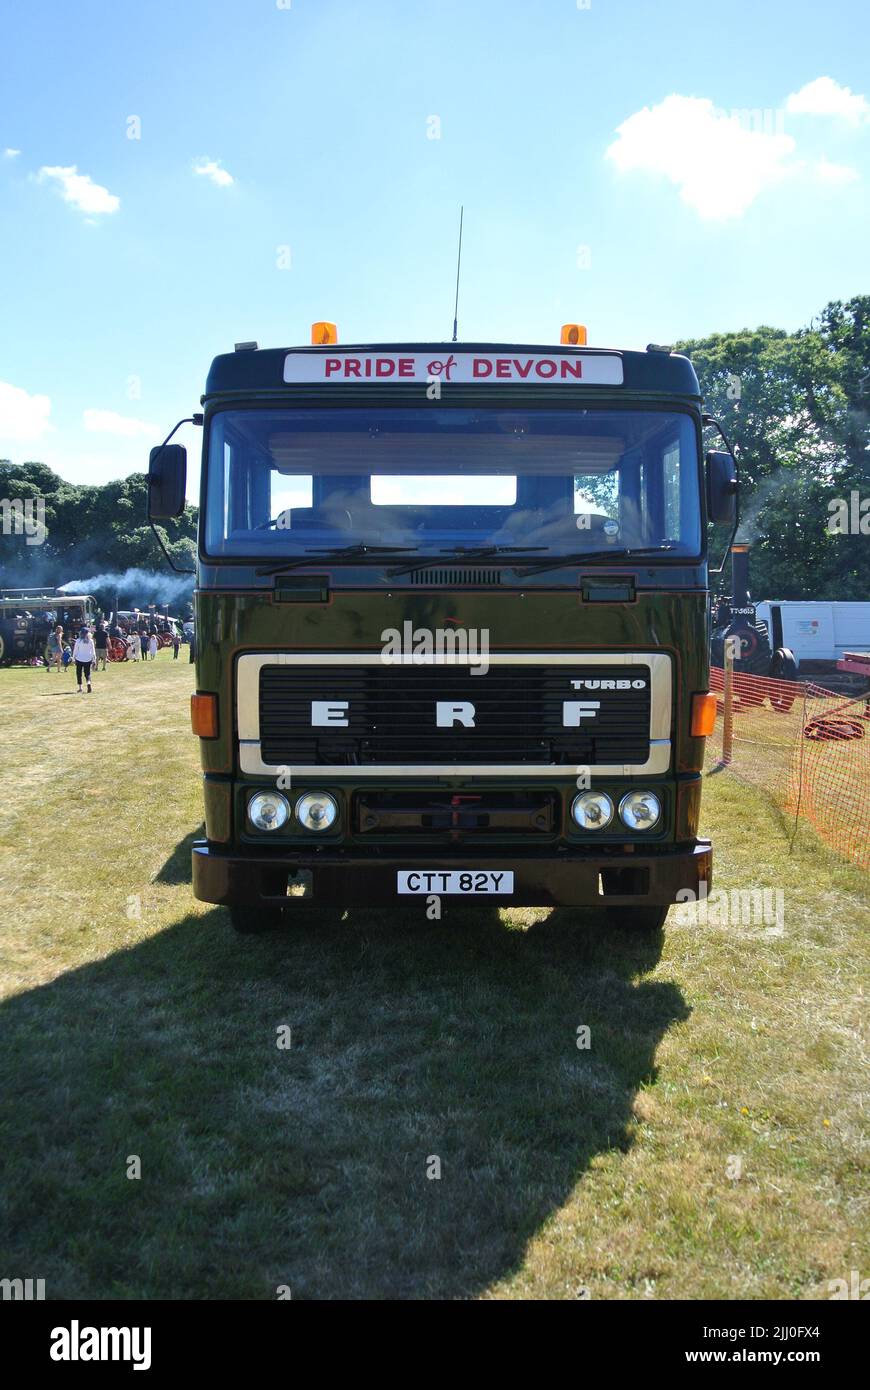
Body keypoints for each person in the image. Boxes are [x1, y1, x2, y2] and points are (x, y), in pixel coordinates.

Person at [72, 626, 96, 694]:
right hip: (88, 659)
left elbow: (75, 650)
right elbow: (93, 651)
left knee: (79, 673)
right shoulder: (91, 641)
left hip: (79, 659)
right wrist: (94, 659)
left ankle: (80, 688)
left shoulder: (78, 641)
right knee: (87, 673)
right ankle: (88, 683)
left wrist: (73, 658)